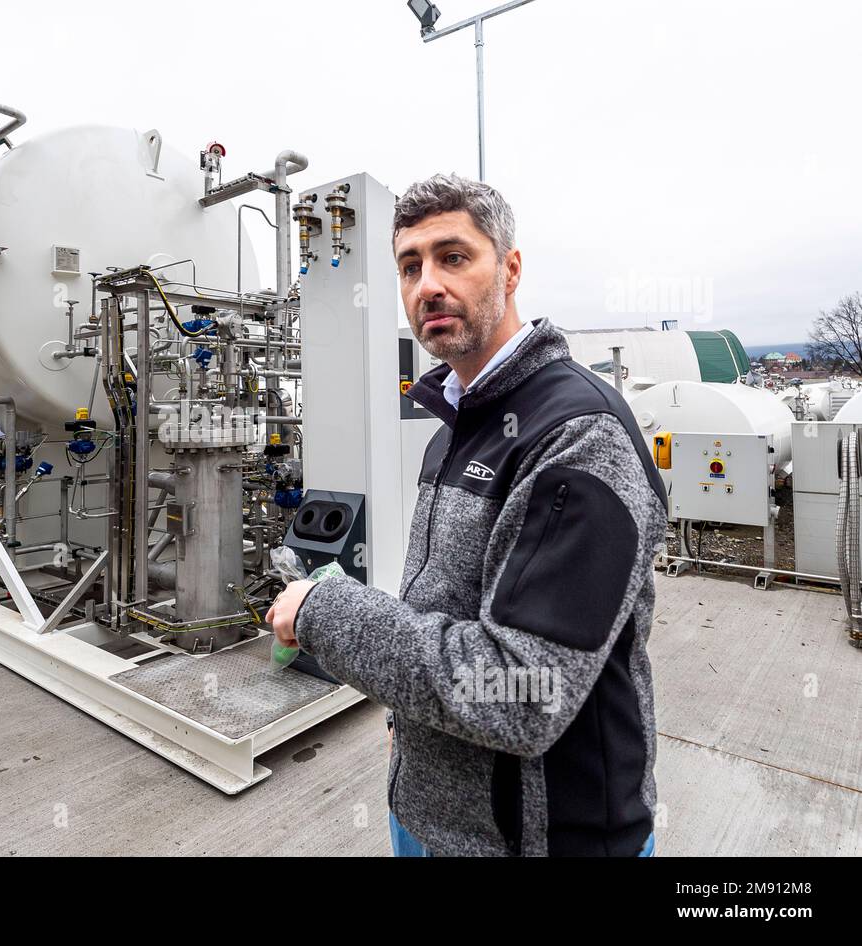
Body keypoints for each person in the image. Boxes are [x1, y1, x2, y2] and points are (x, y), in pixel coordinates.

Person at [266, 173, 668, 857]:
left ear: (510, 269)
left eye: (454, 257)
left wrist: (321, 611)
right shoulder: (455, 424)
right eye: (409, 266)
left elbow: (521, 688)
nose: (428, 285)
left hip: (540, 841)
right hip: (429, 817)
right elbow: (448, 604)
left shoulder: (576, 434)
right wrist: (410, 718)